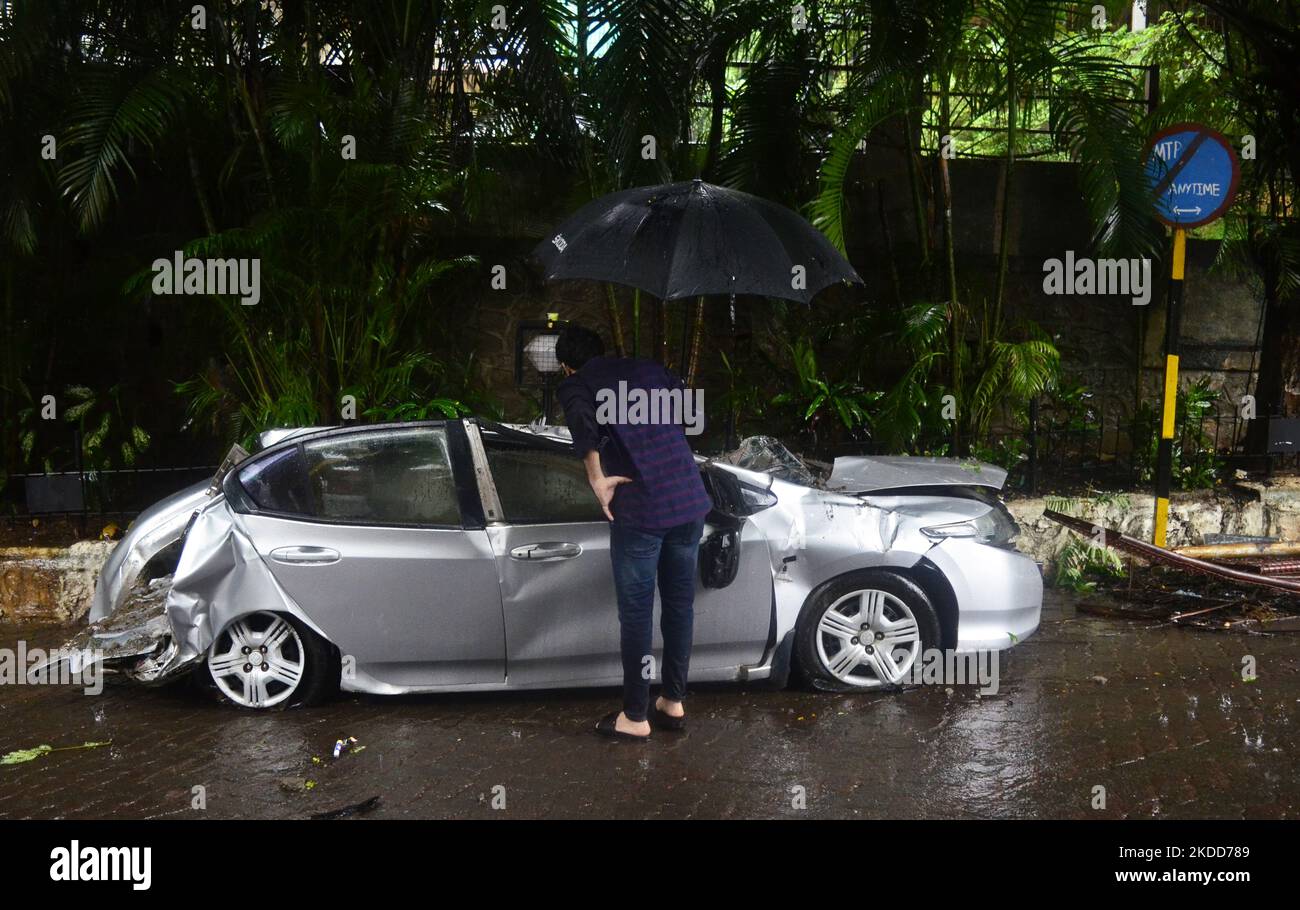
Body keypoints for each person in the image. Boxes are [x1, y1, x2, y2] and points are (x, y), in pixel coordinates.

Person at [555, 324, 712, 742]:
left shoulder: (577, 384)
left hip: (642, 509)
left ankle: (635, 717)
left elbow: (583, 427)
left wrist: (597, 480)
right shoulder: (651, 369)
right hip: (688, 501)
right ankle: (673, 702)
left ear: (566, 367)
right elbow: (692, 418)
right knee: (680, 607)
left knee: (638, 614)